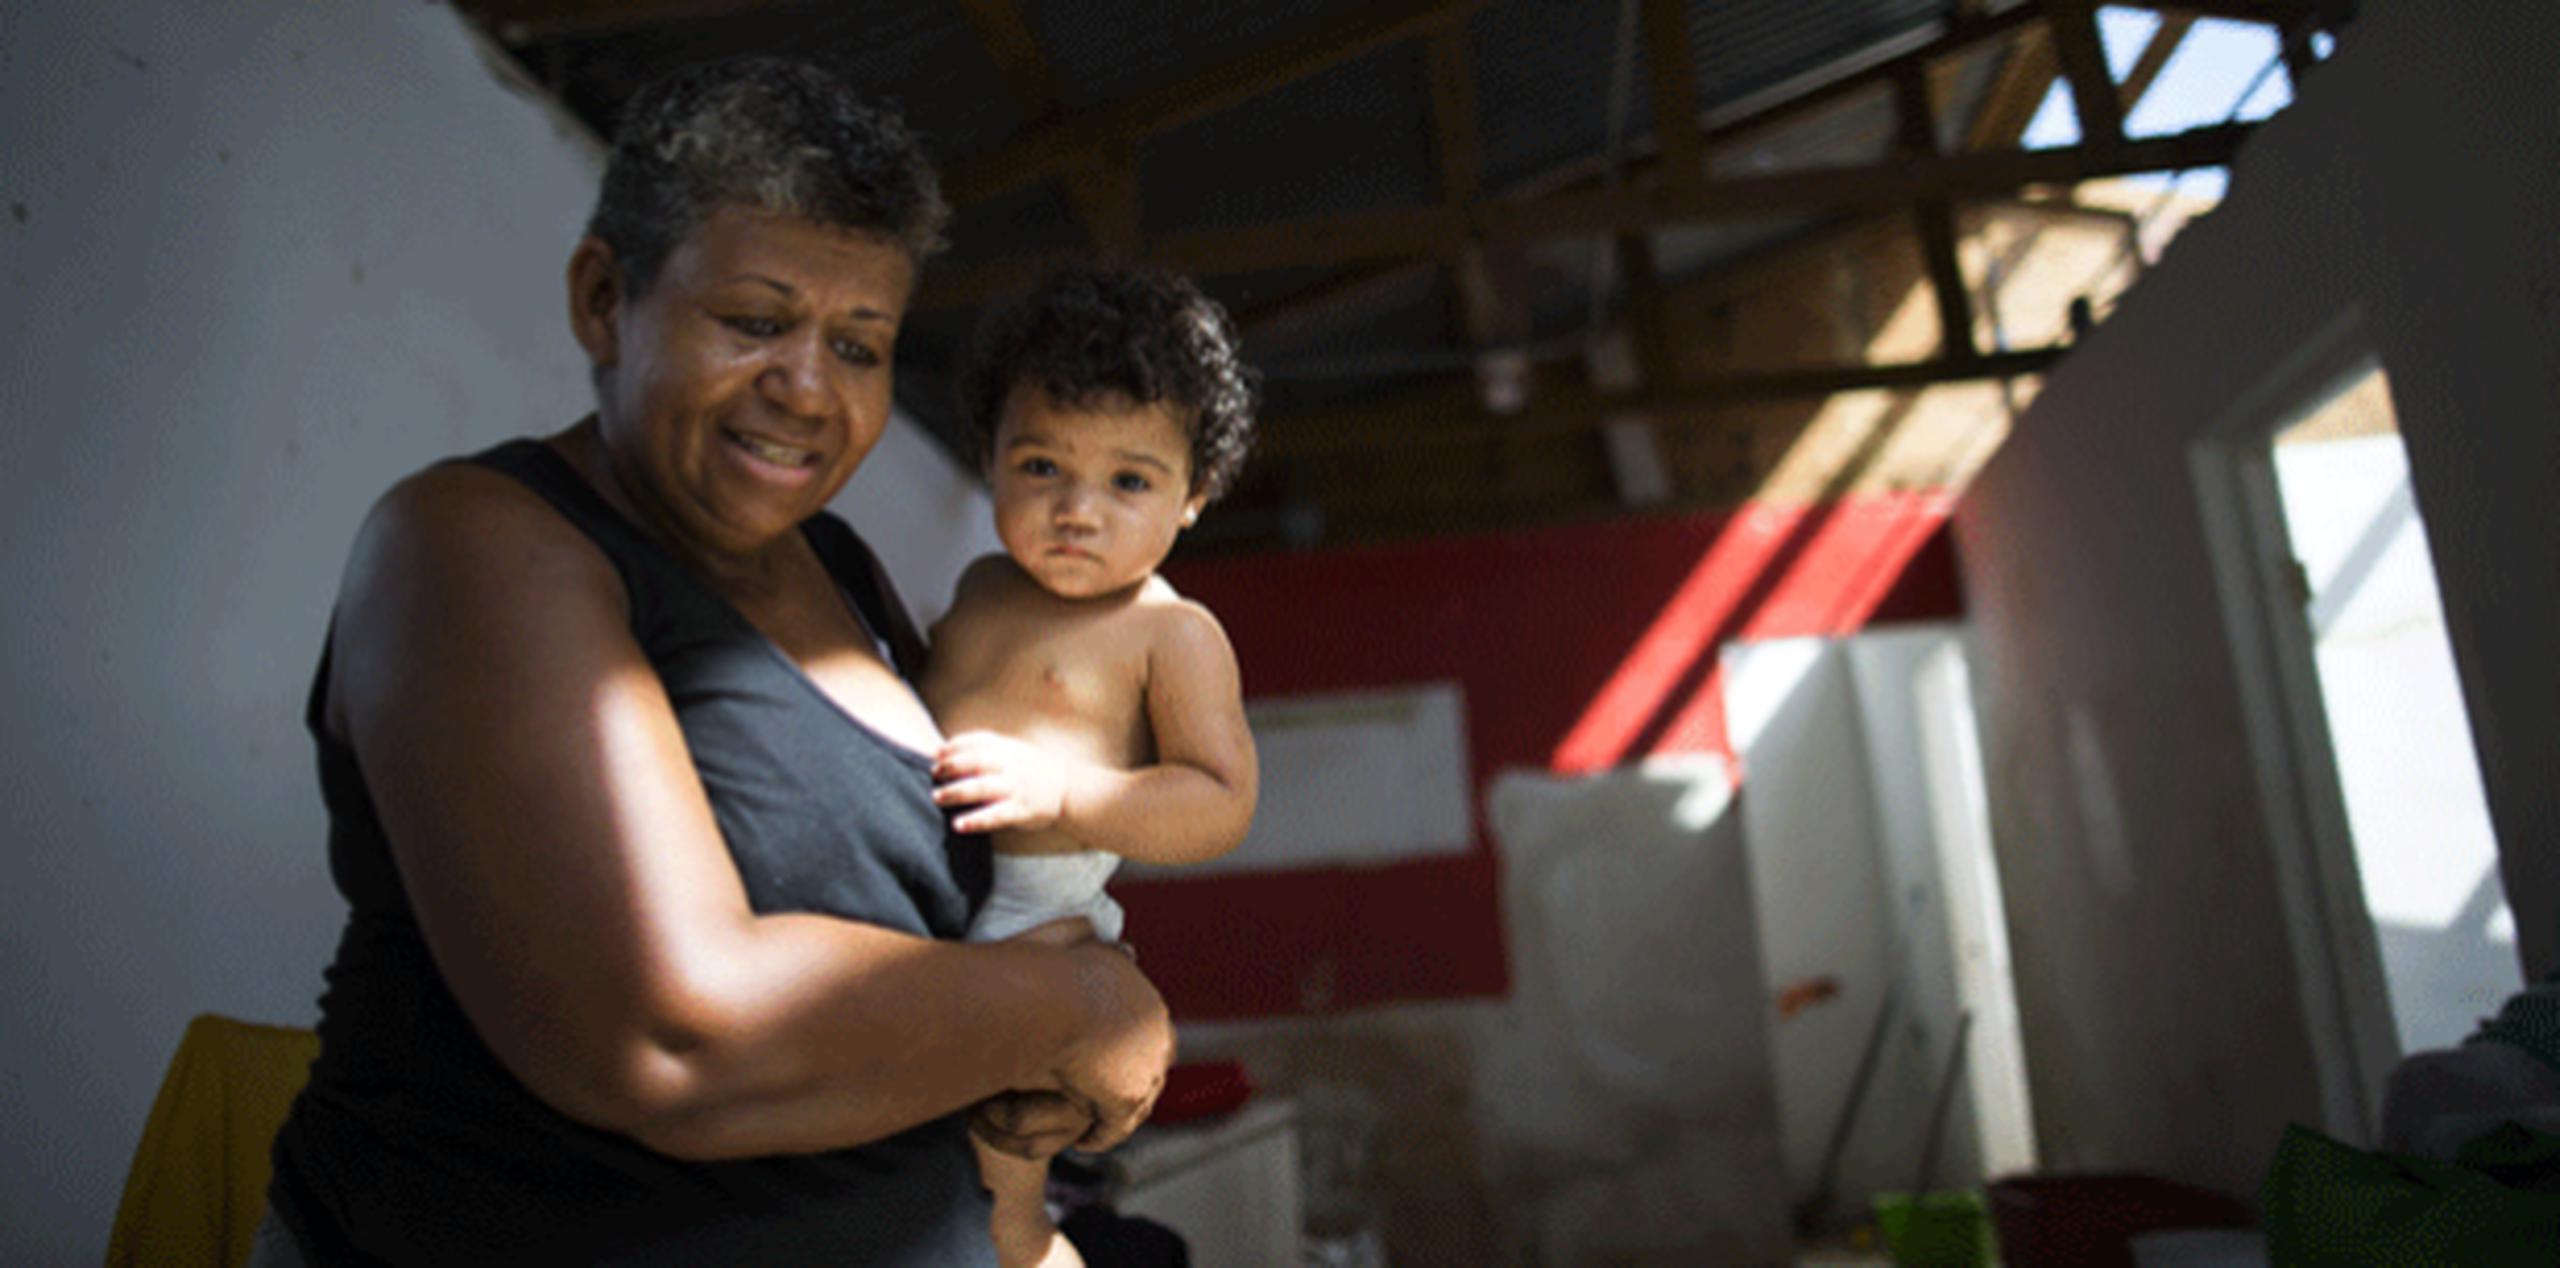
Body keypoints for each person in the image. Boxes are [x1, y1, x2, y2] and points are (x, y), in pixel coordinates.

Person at [252, 58, 1175, 1266]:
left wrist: (1019, 1113)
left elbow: (930, 974)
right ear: (603, 298)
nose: (805, 387)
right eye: (754, 322)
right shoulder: (480, 544)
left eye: (859, 343)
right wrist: (1086, 1007)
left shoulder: (842, 570)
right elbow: (677, 1035)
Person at [920, 265, 1263, 1267]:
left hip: (1040, 909)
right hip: (929, 887)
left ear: (1191, 496)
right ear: (989, 458)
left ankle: (1031, 1239)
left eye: (1128, 479)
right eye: (1039, 467)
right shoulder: (984, 583)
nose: (1077, 508)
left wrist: (1066, 791)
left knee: (1000, 1163)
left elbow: (1219, 799)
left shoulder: (1171, 630)